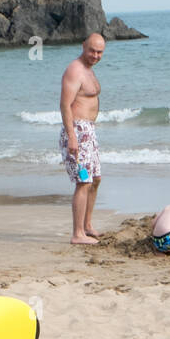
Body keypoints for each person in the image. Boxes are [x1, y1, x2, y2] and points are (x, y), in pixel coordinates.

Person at [60, 34, 106, 244]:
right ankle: (77, 234)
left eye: (100, 52)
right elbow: (65, 105)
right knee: (83, 180)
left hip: (89, 132)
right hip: (78, 131)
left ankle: (87, 226)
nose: (96, 55)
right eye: (92, 50)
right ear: (83, 47)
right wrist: (72, 137)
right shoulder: (75, 70)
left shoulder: (89, 70)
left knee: (95, 180)